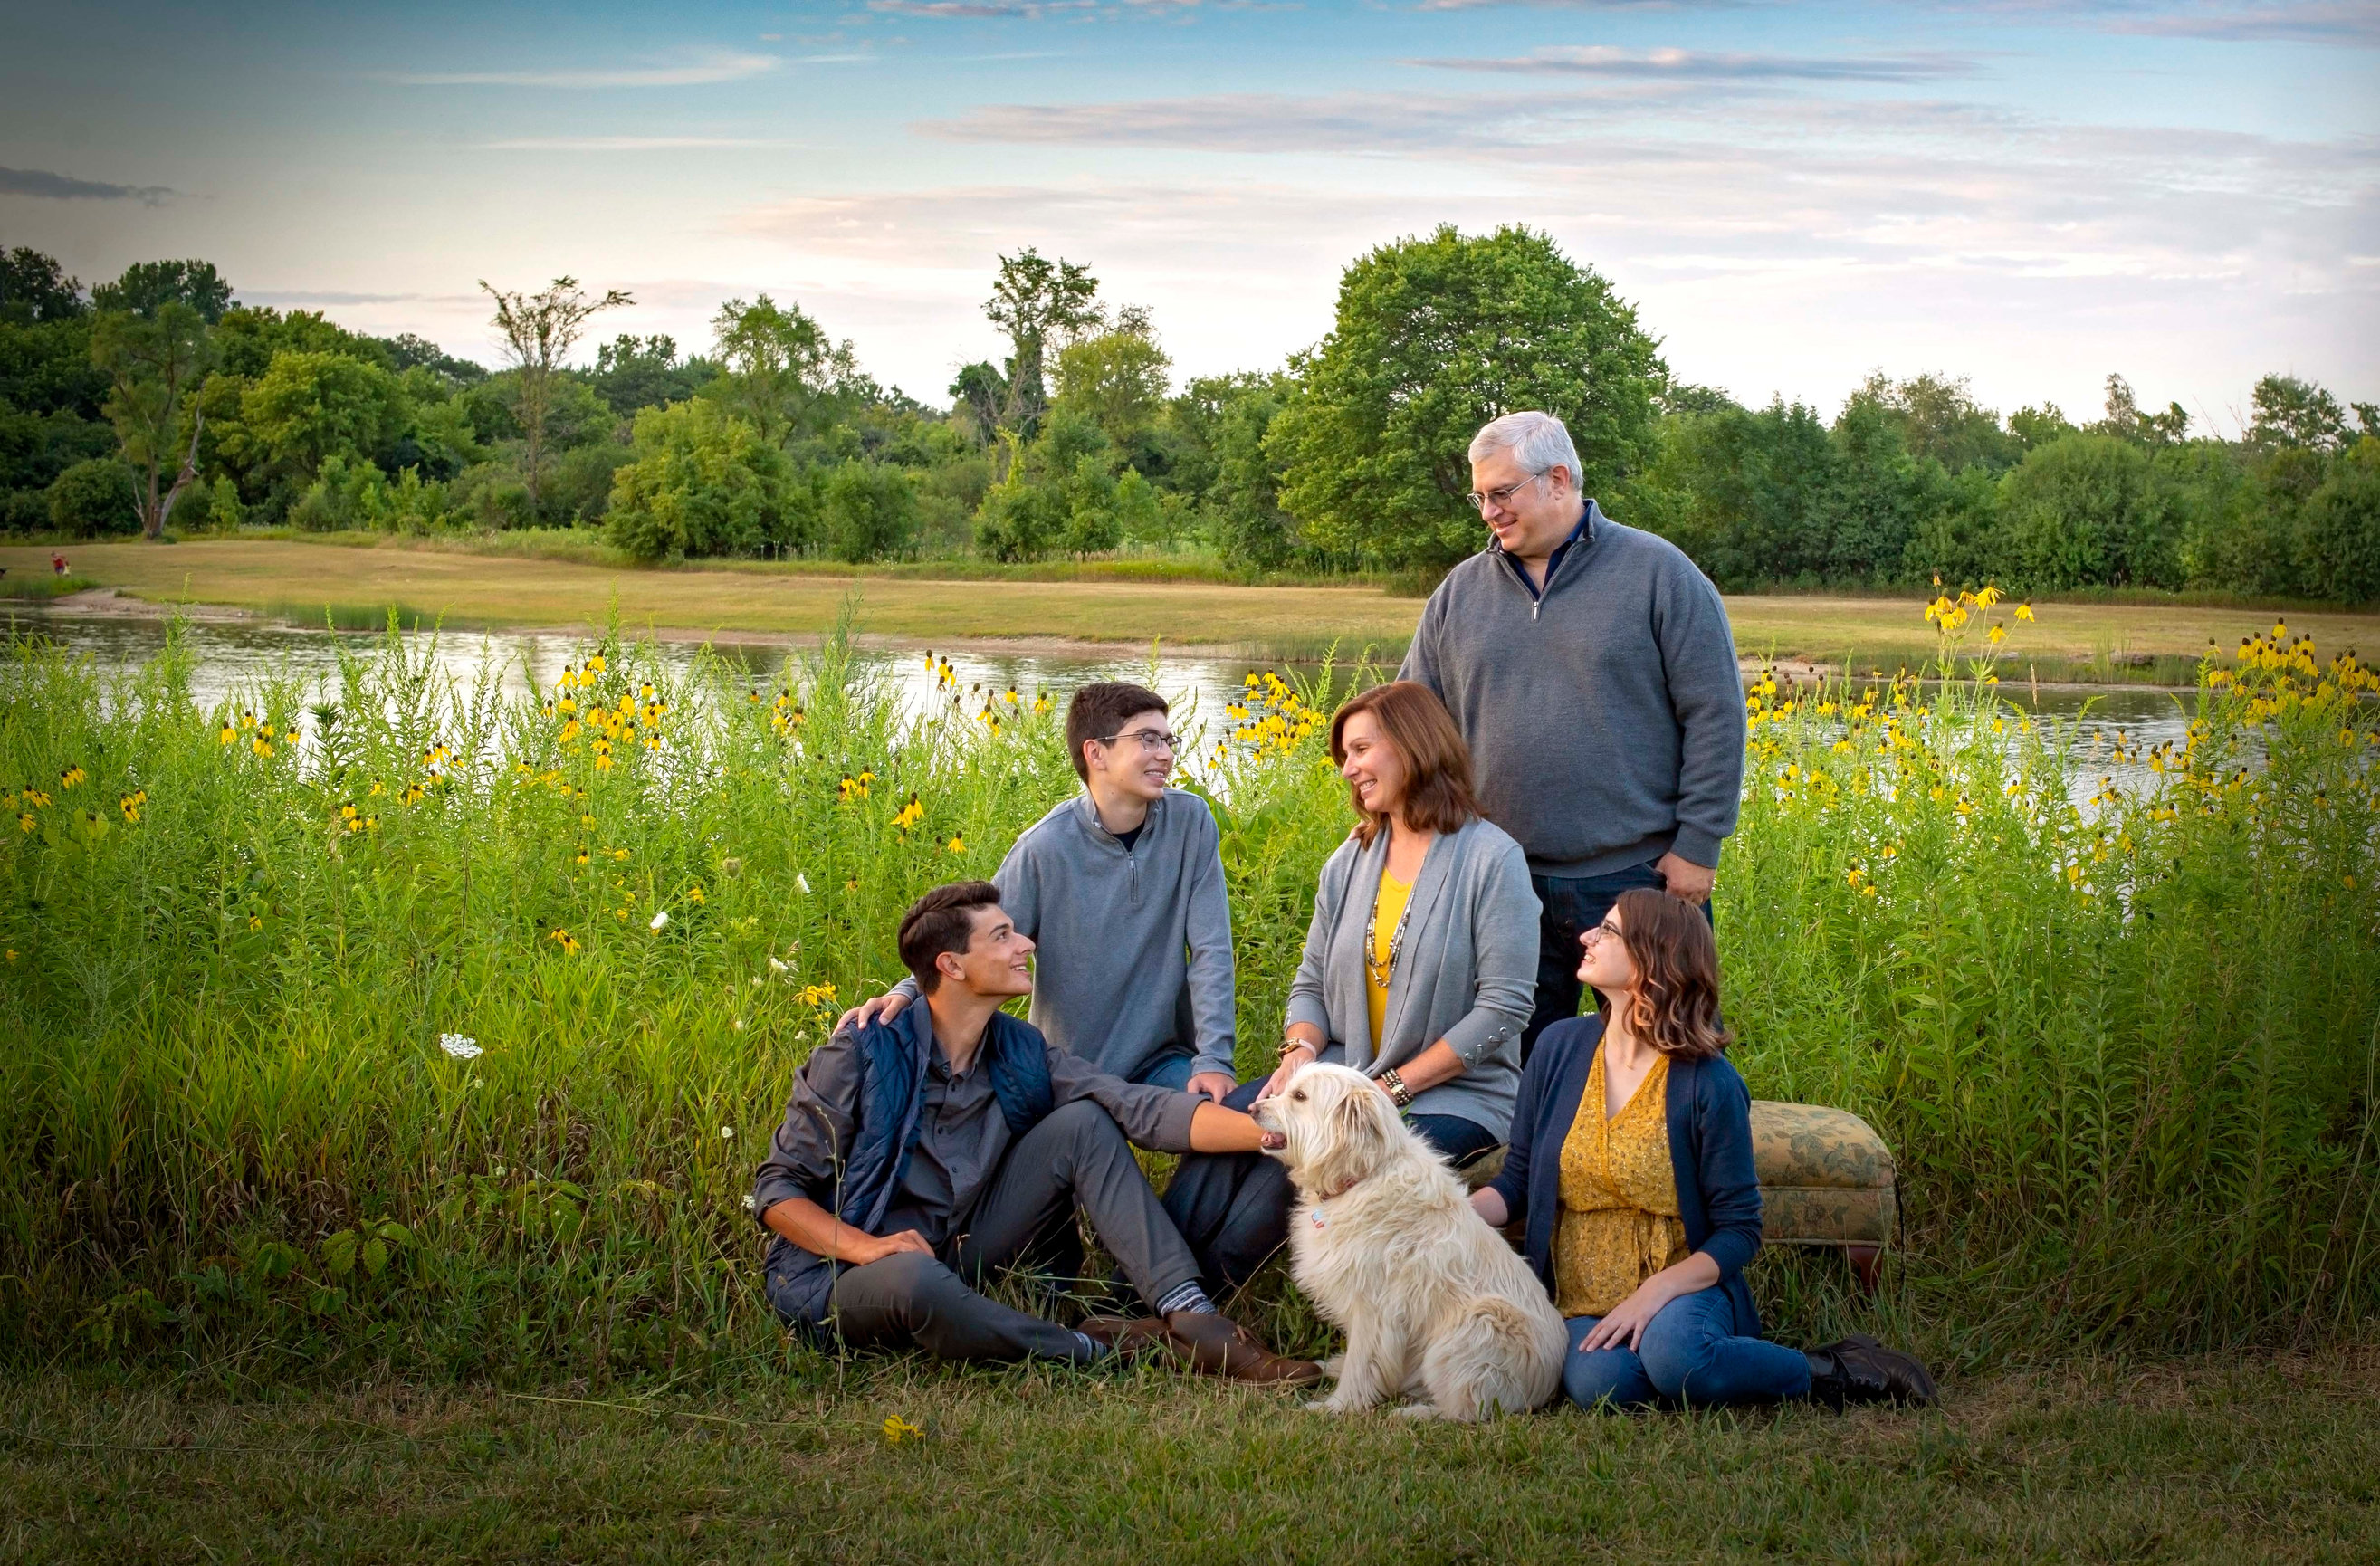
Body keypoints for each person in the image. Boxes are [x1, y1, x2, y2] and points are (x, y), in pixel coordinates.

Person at [753, 880, 1318, 1383]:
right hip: (848, 1270)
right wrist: (868, 1248)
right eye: (1002, 937)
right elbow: (778, 1191)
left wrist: (1279, 1136)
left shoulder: (1019, 1050)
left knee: (1084, 1121)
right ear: (951, 966)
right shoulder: (860, 1052)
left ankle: (1195, 1320)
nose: (1025, 945)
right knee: (916, 1284)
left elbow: (1133, 1107)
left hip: (965, 1245)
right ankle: (1095, 1349)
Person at [1470, 888, 1936, 1411]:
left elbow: (1739, 1230)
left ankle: (1835, 1368)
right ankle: (1703, 1373)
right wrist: (1449, 1214)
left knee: (1678, 1354)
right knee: (1601, 1386)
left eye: (1607, 929)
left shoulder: (1708, 1083)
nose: (1586, 936)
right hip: (1584, 1299)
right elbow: (1518, 1180)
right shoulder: (1558, 1048)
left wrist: (1655, 1293)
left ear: (1651, 959)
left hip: (1683, 1287)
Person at [1163, 680, 1539, 1293]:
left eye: (1360, 750)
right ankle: (1151, 1286)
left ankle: (1196, 1307)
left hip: (1456, 1095)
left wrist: (1389, 1087)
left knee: (1305, 1153)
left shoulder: (1490, 860)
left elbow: (1504, 1007)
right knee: (1234, 1117)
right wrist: (1299, 1054)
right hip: (1341, 1073)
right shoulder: (1351, 857)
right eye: (1344, 755)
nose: (1348, 769)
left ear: (1413, 746)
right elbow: (1310, 981)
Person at [1399, 410, 1747, 1058]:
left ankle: (1688, 1163)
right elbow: (1415, 723)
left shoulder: (1659, 574)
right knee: (1522, 1073)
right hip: (1501, 879)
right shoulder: (1457, 594)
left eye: (1501, 493)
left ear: (1557, 479)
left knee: (1673, 1061)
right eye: (1479, 497)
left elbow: (1716, 716)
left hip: (1639, 879)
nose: (1487, 513)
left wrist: (1698, 845)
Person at [840, 682, 1238, 1100]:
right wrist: (905, 992)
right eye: (1148, 739)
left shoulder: (1190, 822)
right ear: (1095, 753)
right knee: (1085, 1152)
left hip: (1166, 1059)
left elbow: (1211, 948)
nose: (1166, 753)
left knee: (1226, 1124)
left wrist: (1213, 1059)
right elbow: (974, 943)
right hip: (1070, 1070)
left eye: (1168, 739)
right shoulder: (1044, 847)